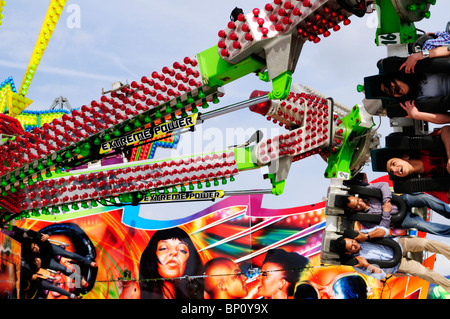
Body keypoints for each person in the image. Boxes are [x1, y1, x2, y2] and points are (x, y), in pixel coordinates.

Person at [334, 230, 450, 293]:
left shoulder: (360, 236)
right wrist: (367, 265)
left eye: (353, 242)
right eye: (352, 247)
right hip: (397, 265)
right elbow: (382, 275)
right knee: (424, 273)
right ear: (348, 253)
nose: (355, 245)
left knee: (425, 243)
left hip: (398, 245)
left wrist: (367, 236)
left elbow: (383, 231)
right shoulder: (357, 265)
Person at [346, 181, 450, 237]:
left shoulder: (367, 193)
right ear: (353, 210)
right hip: (400, 220)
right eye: (356, 206)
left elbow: (384, 185)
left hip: (402, 202)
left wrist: (386, 200)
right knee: (421, 225)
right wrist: (386, 213)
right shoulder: (365, 220)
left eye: (358, 201)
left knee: (423, 198)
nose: (360, 204)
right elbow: (382, 229)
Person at [139, 227, 204, 299]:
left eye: (182, 250)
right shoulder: (136, 290)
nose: (173, 253)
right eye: (163, 248)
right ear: (152, 255)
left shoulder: (199, 294)